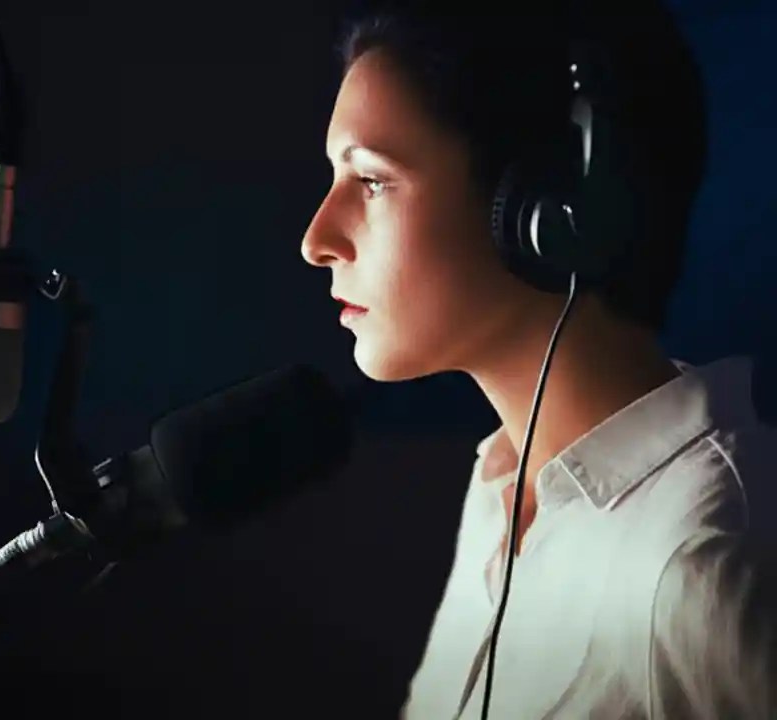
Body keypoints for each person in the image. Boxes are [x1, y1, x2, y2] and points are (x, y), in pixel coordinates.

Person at [299, 0, 777, 717]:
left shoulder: (707, 559)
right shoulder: (502, 493)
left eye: (371, 181)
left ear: (551, 210)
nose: (316, 239)